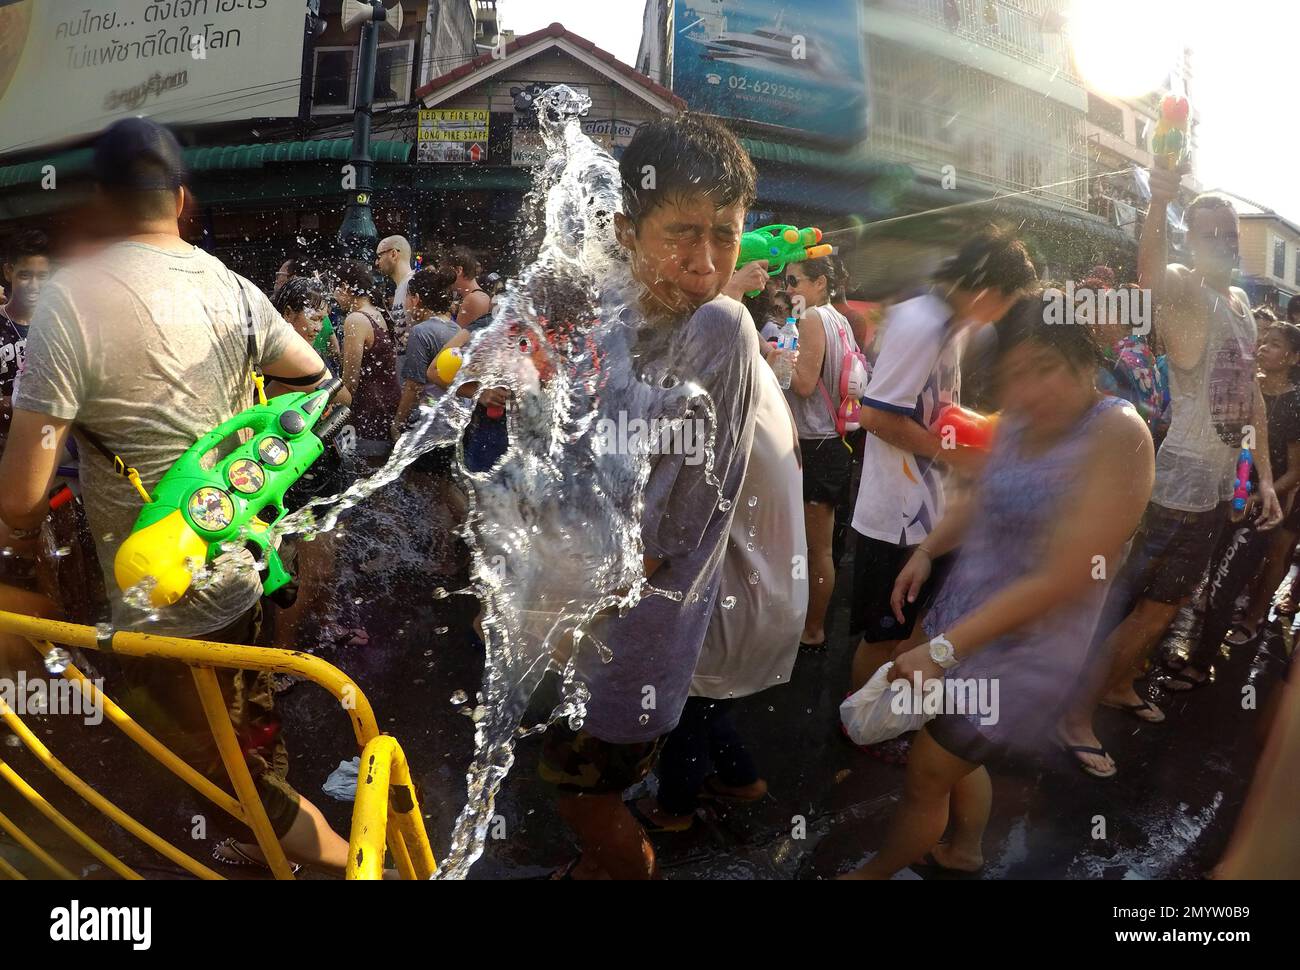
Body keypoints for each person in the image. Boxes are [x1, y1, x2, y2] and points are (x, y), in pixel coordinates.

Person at [0, 117, 349, 874]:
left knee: (215, 766)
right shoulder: (231, 286)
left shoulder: (70, 300)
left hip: (161, 594)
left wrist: (23, 549)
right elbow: (313, 382)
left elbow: (23, 493)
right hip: (241, 562)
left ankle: (355, 864)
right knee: (247, 717)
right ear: (181, 198)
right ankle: (258, 838)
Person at [840, 293, 1154, 879]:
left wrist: (940, 651)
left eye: (1045, 368)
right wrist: (927, 553)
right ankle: (965, 852)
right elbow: (984, 494)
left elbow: (1066, 574)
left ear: (1084, 361)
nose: (1029, 390)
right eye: (1014, 374)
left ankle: (869, 875)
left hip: (1019, 656)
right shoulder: (1016, 422)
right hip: (959, 624)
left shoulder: (1116, 433)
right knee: (951, 757)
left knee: (926, 776)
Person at [537, 113, 760, 880]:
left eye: (724, 236)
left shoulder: (721, 328)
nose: (705, 264)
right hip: (587, 621)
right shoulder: (615, 312)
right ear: (629, 229)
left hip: (633, 640)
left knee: (582, 799)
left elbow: (671, 525)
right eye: (683, 233)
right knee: (579, 796)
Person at [1058, 183, 1283, 778]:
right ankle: (1073, 714)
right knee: (1125, 604)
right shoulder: (1185, 292)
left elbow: (1251, 395)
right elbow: (1151, 271)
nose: (1223, 245)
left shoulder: (1237, 303)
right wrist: (1158, 194)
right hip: (1169, 487)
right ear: (1190, 240)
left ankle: (1120, 683)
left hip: (1212, 488)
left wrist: (1260, 478)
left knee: (1167, 605)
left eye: (1230, 234)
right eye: (1208, 234)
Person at [630, 314, 807, 832]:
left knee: (688, 702)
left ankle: (674, 809)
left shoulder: (716, 416)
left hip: (736, 597)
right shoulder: (759, 381)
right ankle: (742, 779)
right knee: (712, 698)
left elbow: (669, 532)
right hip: (772, 591)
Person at [848, 227, 1036, 691]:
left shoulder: (950, 327)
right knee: (881, 632)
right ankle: (855, 724)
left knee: (906, 629)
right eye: (1006, 303)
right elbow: (873, 415)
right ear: (991, 293)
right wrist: (957, 455)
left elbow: (931, 409)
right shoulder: (921, 324)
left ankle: (884, 713)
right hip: (894, 514)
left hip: (926, 508)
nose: (1001, 316)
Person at [1171, 322, 1300, 684]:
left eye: (1275, 345)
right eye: (1264, 341)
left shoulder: (1294, 403)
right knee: (1210, 579)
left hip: (1257, 512)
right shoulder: (1248, 386)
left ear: (1293, 357)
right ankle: (1198, 654)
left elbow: (1294, 472)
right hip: (1224, 497)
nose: (1264, 348)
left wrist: (1258, 496)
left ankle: (1199, 667)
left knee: (1225, 586)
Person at [779, 256, 863, 651]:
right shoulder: (838, 319)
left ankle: (813, 629)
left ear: (820, 282)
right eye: (786, 281)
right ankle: (808, 624)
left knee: (815, 549)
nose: (788, 288)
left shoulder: (812, 319)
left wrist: (770, 352)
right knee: (818, 547)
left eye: (795, 281)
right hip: (831, 443)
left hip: (815, 443)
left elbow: (805, 384)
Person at [332, 259, 401, 461]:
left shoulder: (355, 320)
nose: (334, 297)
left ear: (345, 287)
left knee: (364, 478)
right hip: (388, 403)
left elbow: (350, 382)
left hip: (368, 411)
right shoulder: (379, 312)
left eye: (335, 288)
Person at [393, 265, 458, 435]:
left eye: (407, 296)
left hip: (429, 426)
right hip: (452, 422)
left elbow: (413, 387)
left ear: (416, 299)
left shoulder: (421, 332)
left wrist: (397, 423)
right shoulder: (457, 330)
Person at [1, 229, 51, 449]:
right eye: (24, 275)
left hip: (49, 443)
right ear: (8, 272)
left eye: (42, 276)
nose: (34, 285)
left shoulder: (58, 325)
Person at [271, 275, 339, 367]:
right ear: (288, 313)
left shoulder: (314, 357)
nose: (319, 328)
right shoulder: (268, 359)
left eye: (322, 320)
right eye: (314, 319)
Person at [376, 234, 414, 356]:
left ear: (393, 254)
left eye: (379, 255)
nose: (377, 262)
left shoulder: (413, 284)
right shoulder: (402, 287)